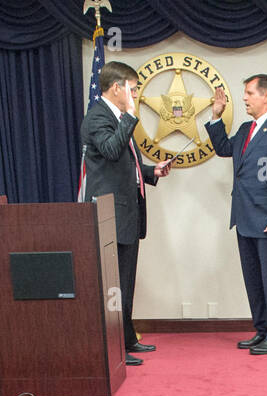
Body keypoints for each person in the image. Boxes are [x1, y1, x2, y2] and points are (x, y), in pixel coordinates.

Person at [80, 61, 172, 366]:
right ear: (116, 87)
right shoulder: (98, 117)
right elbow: (109, 150)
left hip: (126, 213)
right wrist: (130, 118)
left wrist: (151, 171)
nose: (135, 95)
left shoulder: (117, 117)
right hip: (109, 214)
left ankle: (127, 337)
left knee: (125, 281)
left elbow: (123, 164)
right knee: (113, 285)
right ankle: (114, 347)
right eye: (132, 89)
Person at [206, 74, 267, 356]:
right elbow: (224, 149)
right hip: (244, 217)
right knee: (253, 278)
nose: (244, 98)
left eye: (249, 93)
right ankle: (261, 330)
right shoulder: (247, 129)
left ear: (265, 97)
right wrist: (216, 117)